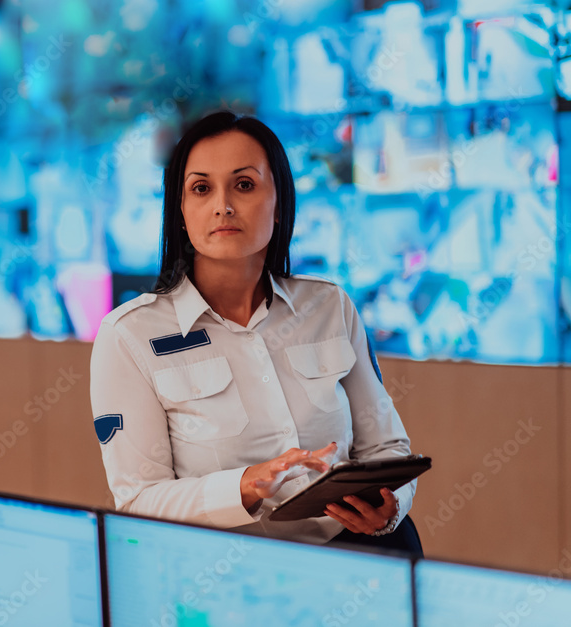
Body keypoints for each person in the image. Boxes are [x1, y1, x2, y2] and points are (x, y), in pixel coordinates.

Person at [89, 111, 422, 554]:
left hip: (356, 556)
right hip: (229, 575)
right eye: (201, 188)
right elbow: (138, 501)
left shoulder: (329, 306)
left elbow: (389, 448)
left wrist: (390, 508)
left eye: (244, 185)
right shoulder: (128, 336)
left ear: (280, 203)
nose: (223, 205)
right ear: (181, 211)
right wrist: (243, 487)